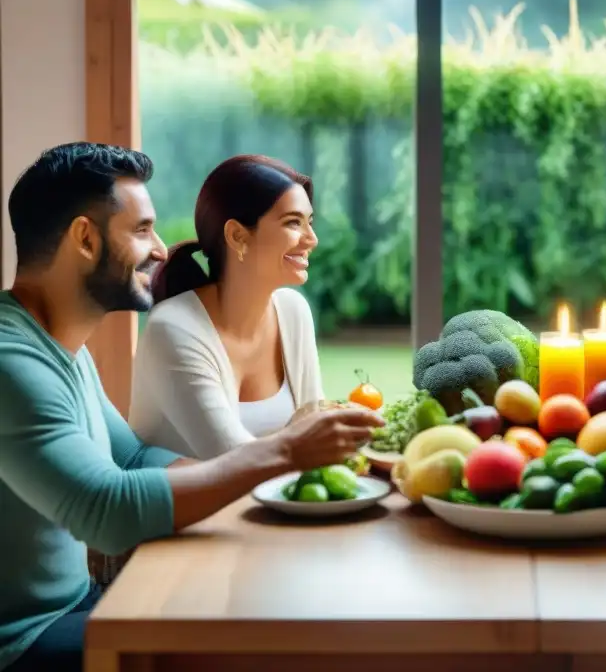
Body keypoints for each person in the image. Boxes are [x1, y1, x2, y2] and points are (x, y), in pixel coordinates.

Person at [0, 143, 383, 672]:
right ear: (85, 239)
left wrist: (254, 479)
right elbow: (107, 512)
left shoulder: (60, 350)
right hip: (23, 641)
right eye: (141, 231)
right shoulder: (9, 361)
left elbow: (133, 459)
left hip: (74, 607)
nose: (161, 250)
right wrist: (284, 453)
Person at [129, 154, 329, 460]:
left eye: (309, 223)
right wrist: (317, 435)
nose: (311, 239)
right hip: (188, 508)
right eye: (293, 222)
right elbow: (233, 461)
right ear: (237, 236)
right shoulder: (173, 328)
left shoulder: (293, 311)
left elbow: (315, 427)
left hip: (275, 504)